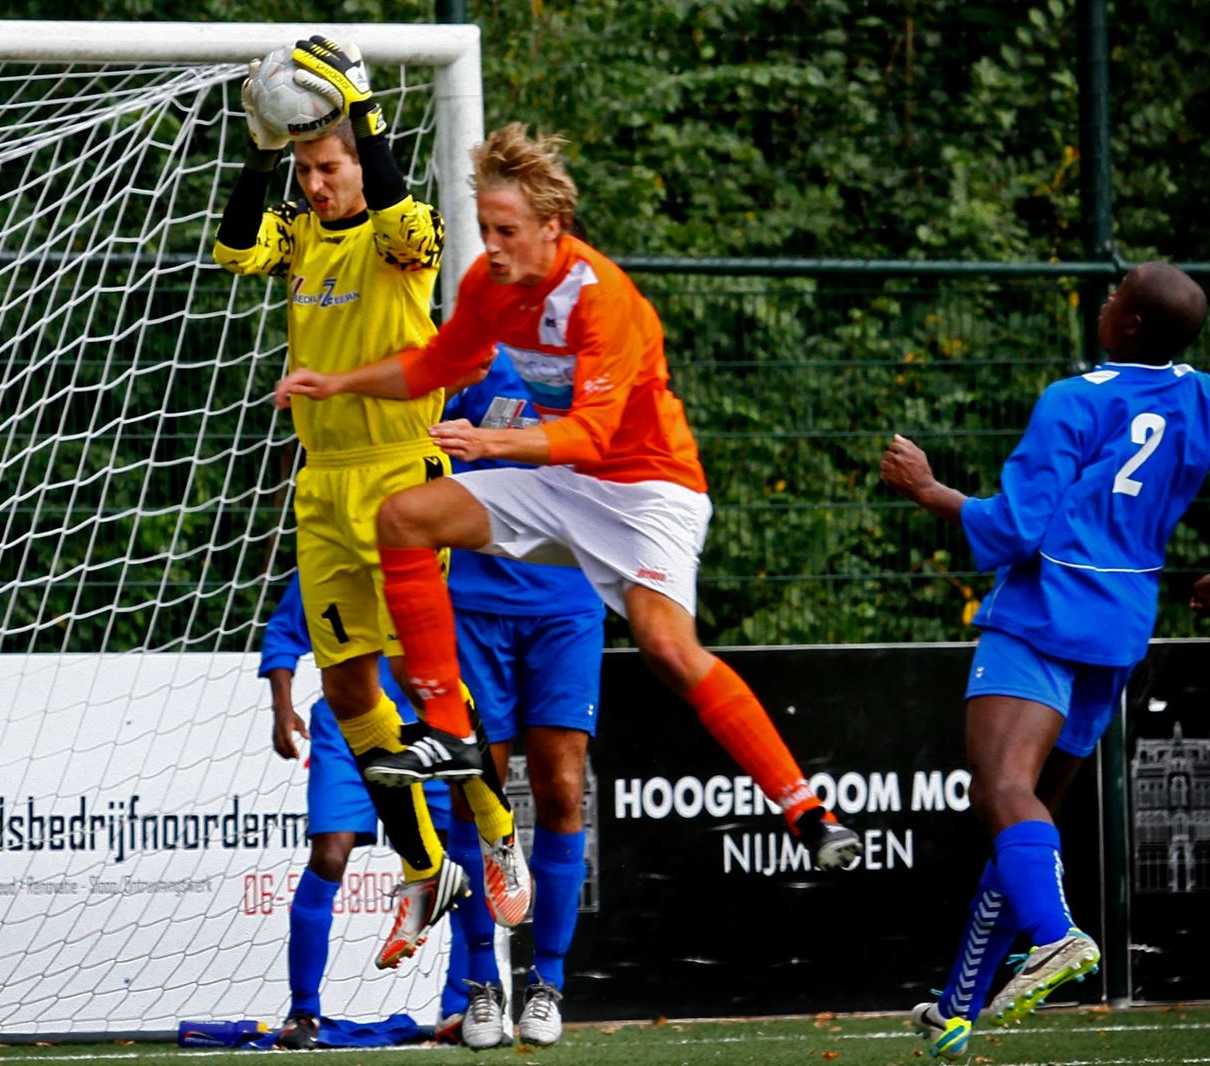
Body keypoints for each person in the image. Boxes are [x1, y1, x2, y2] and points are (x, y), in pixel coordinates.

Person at [273, 123, 862, 873]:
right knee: (404, 517)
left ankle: (805, 808)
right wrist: (336, 382)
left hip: (648, 489)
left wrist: (491, 444)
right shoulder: (488, 284)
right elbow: (434, 365)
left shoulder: (599, 295)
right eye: (486, 228)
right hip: (561, 480)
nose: (492, 246)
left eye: (508, 231)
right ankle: (451, 729)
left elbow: (593, 433)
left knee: (666, 647)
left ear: (553, 227)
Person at [879, 262, 1210, 1057]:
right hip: (1118, 630)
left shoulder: (1074, 398)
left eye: (1117, 294)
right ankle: (957, 1007)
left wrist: (927, 489)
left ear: (1131, 323)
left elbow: (1015, 530)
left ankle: (1054, 937)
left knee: (1003, 793)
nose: (1106, 301)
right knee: (1024, 814)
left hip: (1042, 610)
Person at [212, 35, 528, 1020]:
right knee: (348, 687)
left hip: (398, 475)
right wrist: (265, 146)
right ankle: (425, 866)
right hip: (323, 488)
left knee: (422, 676)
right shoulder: (299, 233)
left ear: (361, 162)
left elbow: (396, 211)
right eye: (308, 170)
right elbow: (234, 248)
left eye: (330, 167)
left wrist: (358, 105)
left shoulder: (407, 232)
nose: (317, 184)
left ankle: (493, 829)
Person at [429, 348, 607, 1049]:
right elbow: (415, 434)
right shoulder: (479, 357)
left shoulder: (593, 366)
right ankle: (481, 985)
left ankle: (547, 984)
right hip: (473, 606)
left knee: (562, 788)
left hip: (567, 605)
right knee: (475, 791)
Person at [257, 575, 452, 1048]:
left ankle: (463, 1004)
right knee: (329, 856)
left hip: (423, 729)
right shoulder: (328, 557)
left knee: (458, 857)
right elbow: (283, 632)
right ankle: (303, 1012)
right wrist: (282, 708)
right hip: (345, 729)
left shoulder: (433, 557)